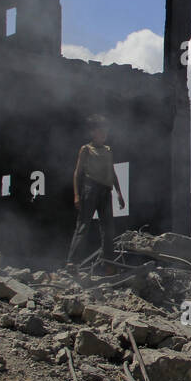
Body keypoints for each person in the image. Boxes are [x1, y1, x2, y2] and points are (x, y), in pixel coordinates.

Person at [67, 115, 125, 269]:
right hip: (90, 189)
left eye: (106, 130)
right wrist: (76, 195)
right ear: (93, 132)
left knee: (107, 228)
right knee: (83, 225)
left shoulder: (108, 151)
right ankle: (72, 262)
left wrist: (119, 193)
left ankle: (109, 264)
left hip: (106, 192)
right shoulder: (86, 149)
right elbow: (77, 173)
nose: (104, 133)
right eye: (101, 130)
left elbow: (112, 172)